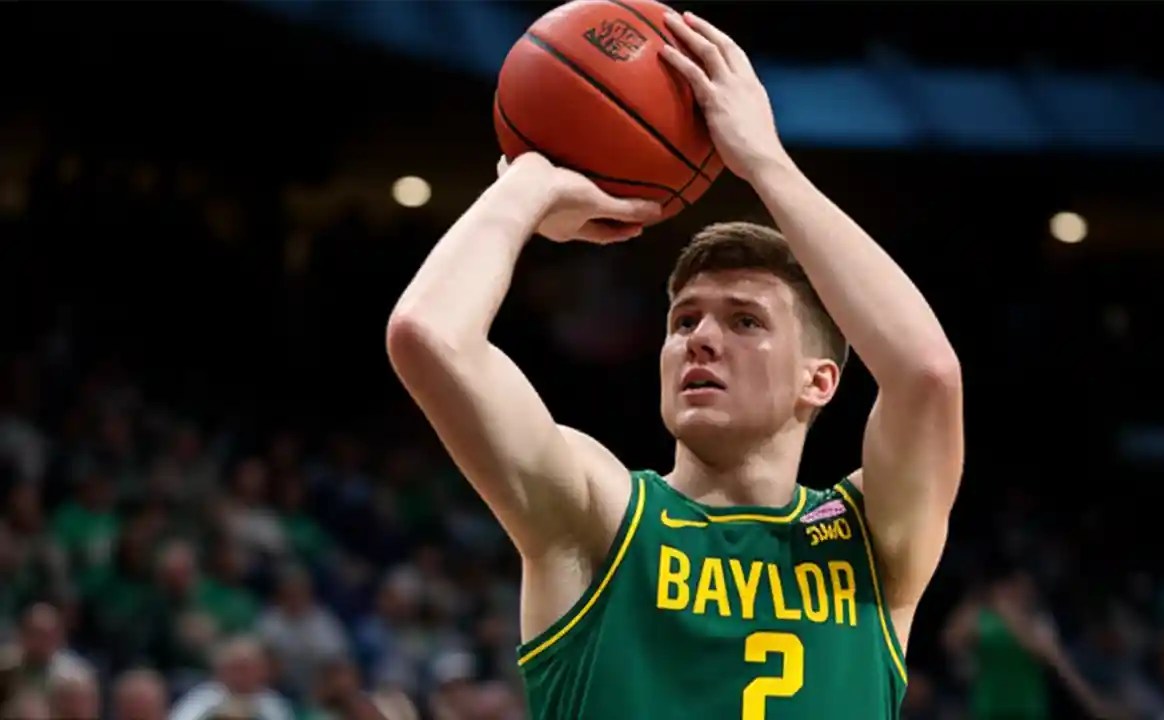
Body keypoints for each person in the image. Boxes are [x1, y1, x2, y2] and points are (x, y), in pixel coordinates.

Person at [386, 10, 963, 719]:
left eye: (744, 321)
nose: (701, 338)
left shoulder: (871, 541)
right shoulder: (601, 517)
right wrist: (530, 184)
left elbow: (927, 375)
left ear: (820, 380)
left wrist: (764, 162)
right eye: (684, 320)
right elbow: (429, 335)